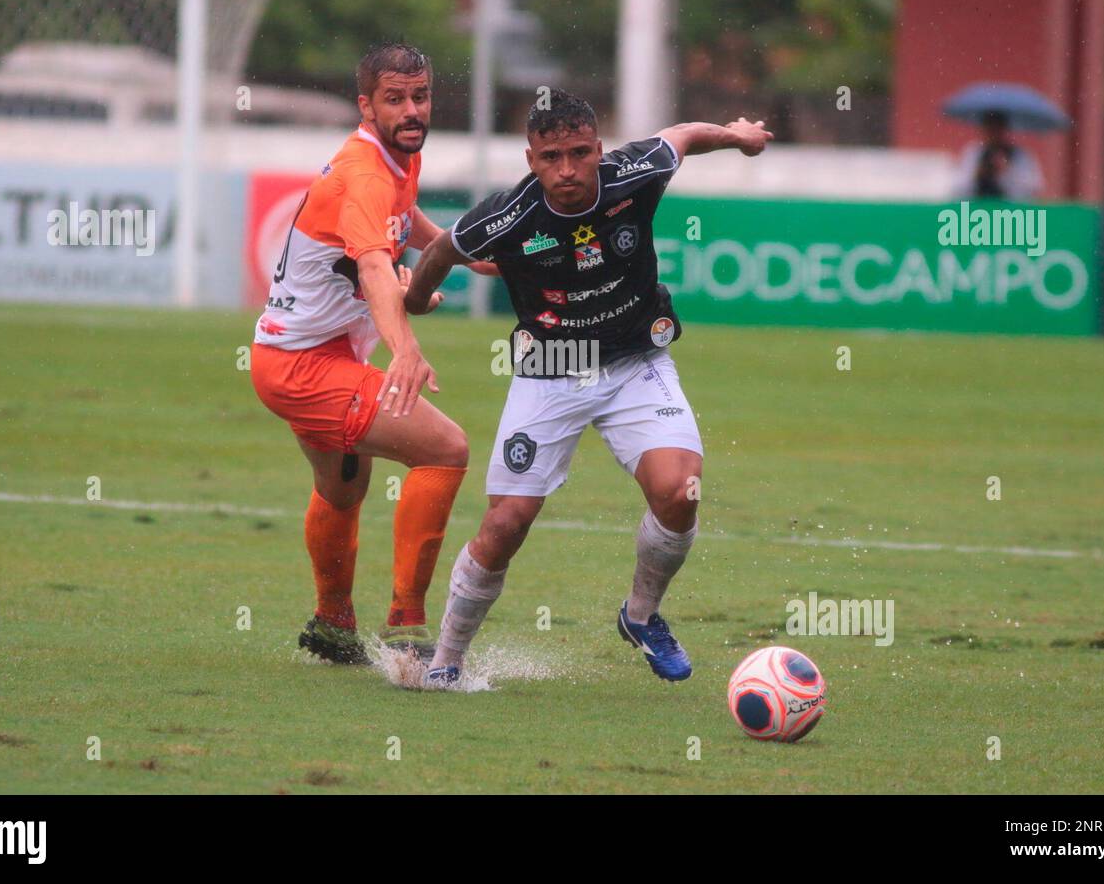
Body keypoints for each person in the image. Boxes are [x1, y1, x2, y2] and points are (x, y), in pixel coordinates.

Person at [404, 90, 772, 686]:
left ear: (599, 149)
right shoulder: (509, 215)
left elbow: (679, 134)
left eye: (580, 153)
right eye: (551, 157)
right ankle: (446, 661)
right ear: (531, 159)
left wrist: (737, 134)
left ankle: (641, 616)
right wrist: (416, 301)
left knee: (682, 492)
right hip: (550, 372)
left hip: (635, 363)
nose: (568, 169)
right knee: (505, 526)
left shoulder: (633, 174)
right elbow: (444, 247)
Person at [250, 43, 469, 665]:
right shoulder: (367, 171)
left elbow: (403, 217)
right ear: (365, 105)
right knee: (446, 450)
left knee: (344, 489)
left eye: (420, 96)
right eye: (394, 99)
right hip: (304, 368)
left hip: (300, 357)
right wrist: (405, 349)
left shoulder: (394, 157)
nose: (411, 110)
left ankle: (333, 624)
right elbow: (375, 264)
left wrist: (457, 249)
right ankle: (406, 627)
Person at [951, 110, 1044, 200]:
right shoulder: (973, 154)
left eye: (997, 128)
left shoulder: (1020, 156)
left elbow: (1032, 189)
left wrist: (1006, 172)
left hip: (1011, 213)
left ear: (1004, 129)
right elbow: (958, 189)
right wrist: (977, 174)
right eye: (990, 128)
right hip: (977, 212)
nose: (993, 133)